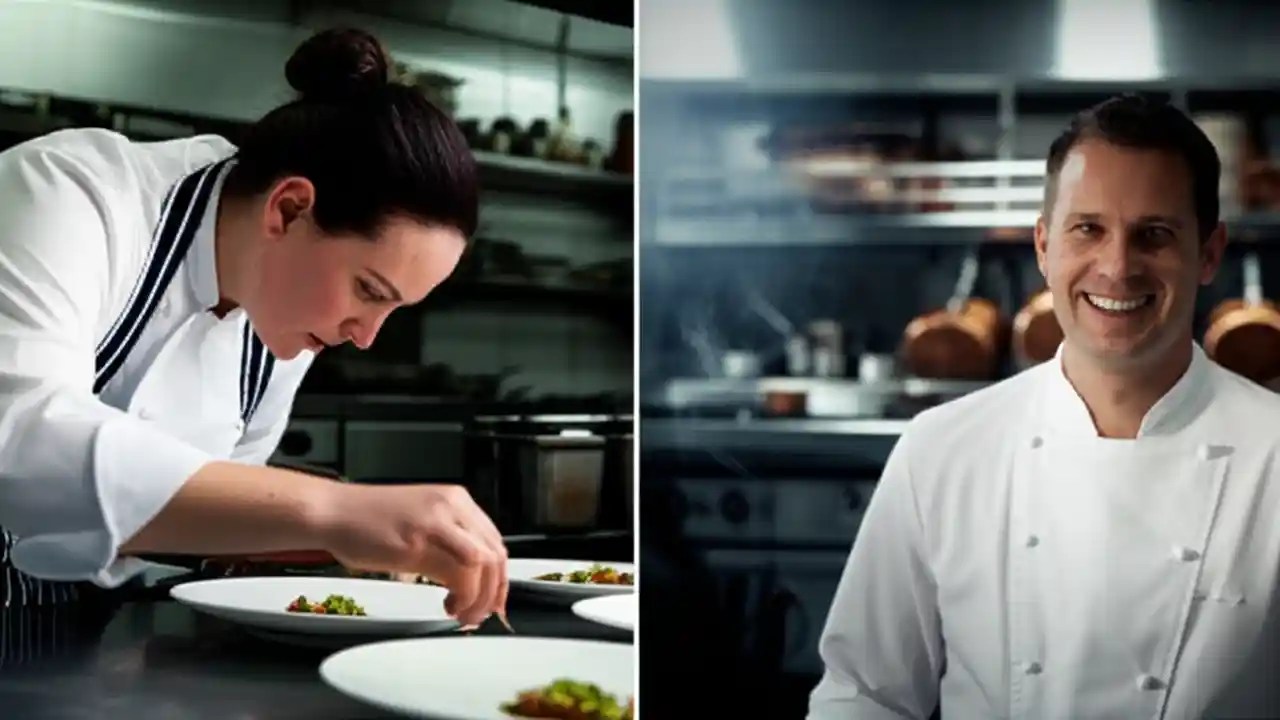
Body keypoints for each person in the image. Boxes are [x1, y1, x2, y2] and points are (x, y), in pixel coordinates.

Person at [0, 27, 508, 628]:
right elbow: (21, 437)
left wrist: (367, 542)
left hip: (90, 634)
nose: (366, 335)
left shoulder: (283, 322)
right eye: (369, 291)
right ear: (289, 208)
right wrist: (335, 510)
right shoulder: (70, 194)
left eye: (393, 309)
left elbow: (197, 514)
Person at [808, 94, 1280, 718]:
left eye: (1155, 235)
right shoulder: (941, 450)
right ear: (1043, 245)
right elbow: (864, 692)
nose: (1117, 267)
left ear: (1210, 254)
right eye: (1088, 229)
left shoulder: (1271, 453)